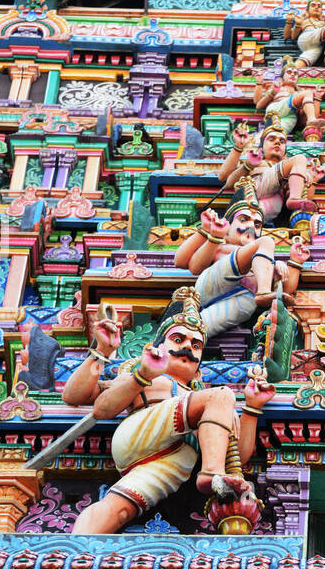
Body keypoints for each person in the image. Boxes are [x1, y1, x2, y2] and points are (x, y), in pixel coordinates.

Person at [61, 289, 259, 533]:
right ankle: (211, 474)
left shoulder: (212, 406)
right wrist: (103, 351)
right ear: (159, 347)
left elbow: (238, 456)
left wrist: (252, 407)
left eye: (196, 345)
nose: (187, 347)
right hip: (142, 428)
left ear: (199, 369)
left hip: (178, 458)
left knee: (119, 509)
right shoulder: (149, 379)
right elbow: (80, 398)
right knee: (222, 394)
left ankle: (80, 544)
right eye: (178, 339)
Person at [174, 198, 309, 337]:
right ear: (228, 224)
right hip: (211, 286)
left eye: (257, 225)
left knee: (196, 330)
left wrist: (295, 262)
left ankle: (184, 338)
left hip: (244, 298)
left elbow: (287, 291)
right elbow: (186, 264)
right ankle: (263, 292)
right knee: (267, 242)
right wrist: (209, 233)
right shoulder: (220, 247)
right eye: (243, 220)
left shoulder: (264, 262)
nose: (251, 226)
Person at [217, 123, 321, 221]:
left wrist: (313, 180)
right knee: (300, 159)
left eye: (282, 141)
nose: (277, 142)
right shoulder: (256, 160)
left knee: (303, 176)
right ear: (262, 147)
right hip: (255, 187)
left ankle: (292, 200)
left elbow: (306, 201)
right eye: (271, 139)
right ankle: (294, 198)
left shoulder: (291, 169)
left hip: (269, 209)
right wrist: (242, 155)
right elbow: (224, 179)